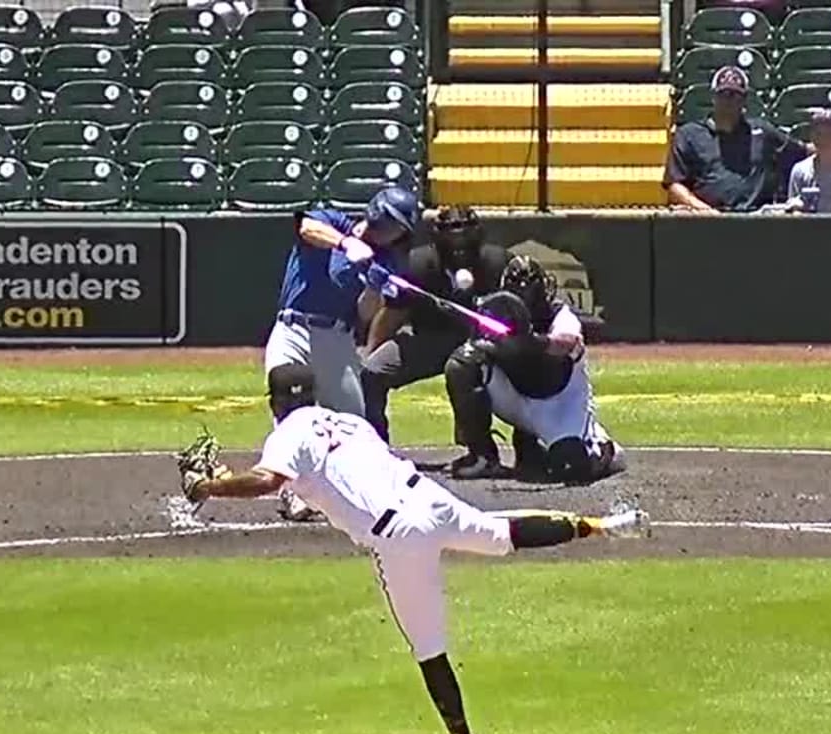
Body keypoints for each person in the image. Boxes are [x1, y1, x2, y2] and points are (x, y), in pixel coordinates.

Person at [176, 363, 650, 734]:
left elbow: (268, 481)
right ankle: (602, 525)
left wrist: (211, 486)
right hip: (429, 497)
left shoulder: (286, 436)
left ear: (274, 403)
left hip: (399, 536)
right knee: (498, 533)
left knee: (430, 648)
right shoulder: (350, 422)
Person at [263, 185, 419, 521]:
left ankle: (366, 491)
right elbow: (307, 228)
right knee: (289, 412)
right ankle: (295, 493)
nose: (394, 235)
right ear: (378, 214)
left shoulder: (387, 260)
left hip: (336, 337)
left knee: (353, 421)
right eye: (393, 225)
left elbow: (365, 314)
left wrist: (376, 286)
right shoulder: (333, 221)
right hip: (293, 329)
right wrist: (346, 243)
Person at [443, 255, 625, 483]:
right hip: (515, 399)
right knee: (462, 364)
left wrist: (530, 342)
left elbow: (567, 342)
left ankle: (598, 446)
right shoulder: (496, 314)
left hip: (560, 409)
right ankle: (482, 456)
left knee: (572, 466)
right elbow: (473, 347)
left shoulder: (560, 315)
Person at [360, 205, 510, 443]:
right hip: (430, 340)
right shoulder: (417, 264)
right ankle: (374, 445)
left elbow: (517, 316)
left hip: (484, 345)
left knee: (471, 367)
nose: (459, 244)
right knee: (371, 373)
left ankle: (490, 450)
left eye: (465, 235)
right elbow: (392, 314)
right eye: (452, 236)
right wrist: (371, 352)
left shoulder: (498, 262)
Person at [664, 65, 831, 212]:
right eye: (724, 94)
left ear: (745, 99)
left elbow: (803, 150)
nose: (729, 100)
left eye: (736, 95)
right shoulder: (690, 134)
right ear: (714, 96)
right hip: (707, 220)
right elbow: (674, 185)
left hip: (756, 220)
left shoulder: (762, 132)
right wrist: (703, 210)